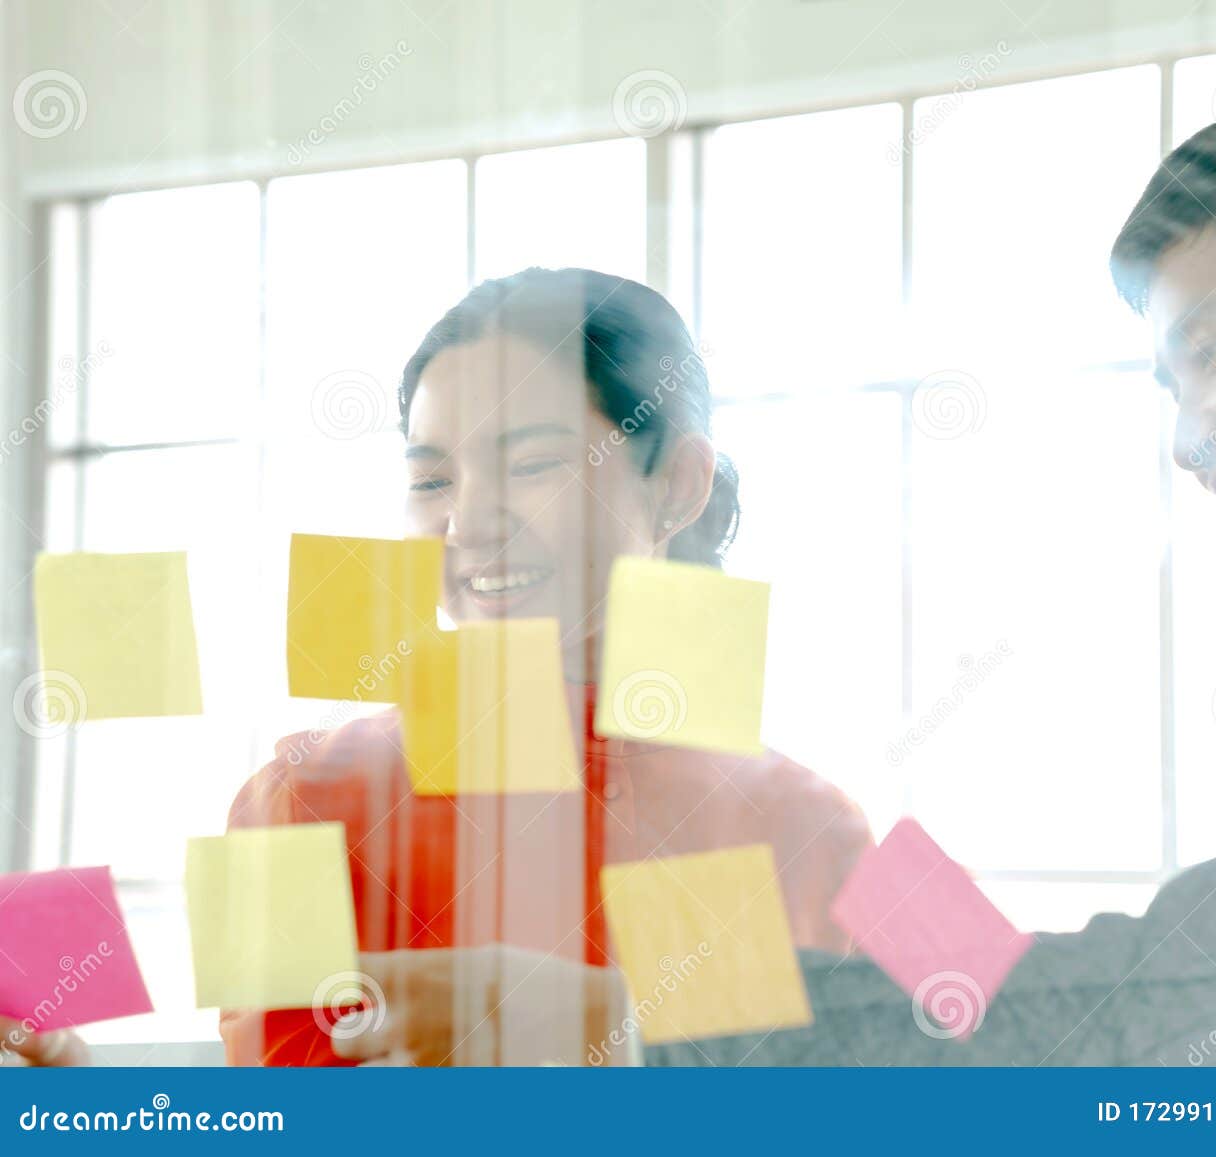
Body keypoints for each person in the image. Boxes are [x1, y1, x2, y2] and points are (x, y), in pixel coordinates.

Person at [636, 88, 1216, 1065]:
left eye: (1207, 350)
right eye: (433, 472)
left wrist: (668, 1032)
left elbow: (1207, 1008)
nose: (1188, 443)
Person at [221, 268, 872, 1066]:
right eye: (431, 479)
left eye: (532, 464)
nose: (466, 522)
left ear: (677, 484)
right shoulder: (295, 800)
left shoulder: (814, 828)